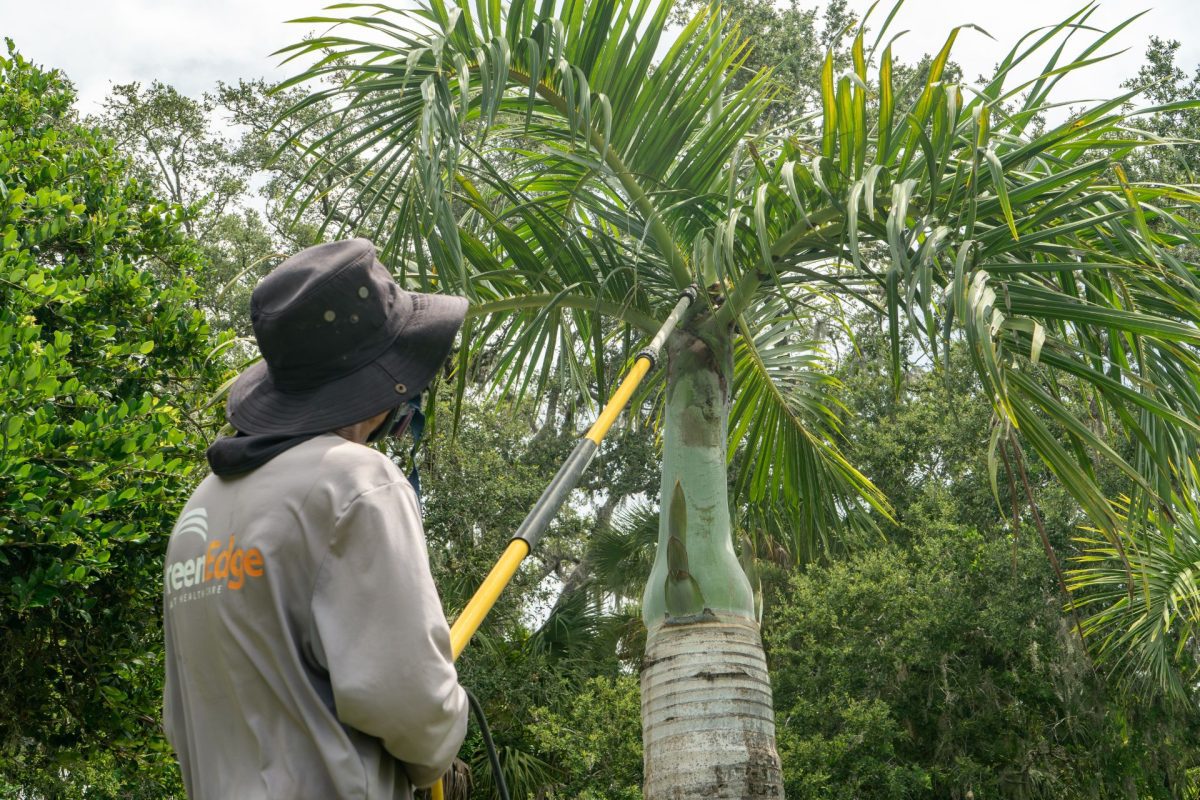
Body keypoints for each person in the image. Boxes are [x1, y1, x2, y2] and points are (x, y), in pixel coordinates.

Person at [162, 239, 469, 799]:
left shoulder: (200, 507)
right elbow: (411, 699)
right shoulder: (356, 482)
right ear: (379, 379)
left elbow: (181, 716)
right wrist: (438, 755)